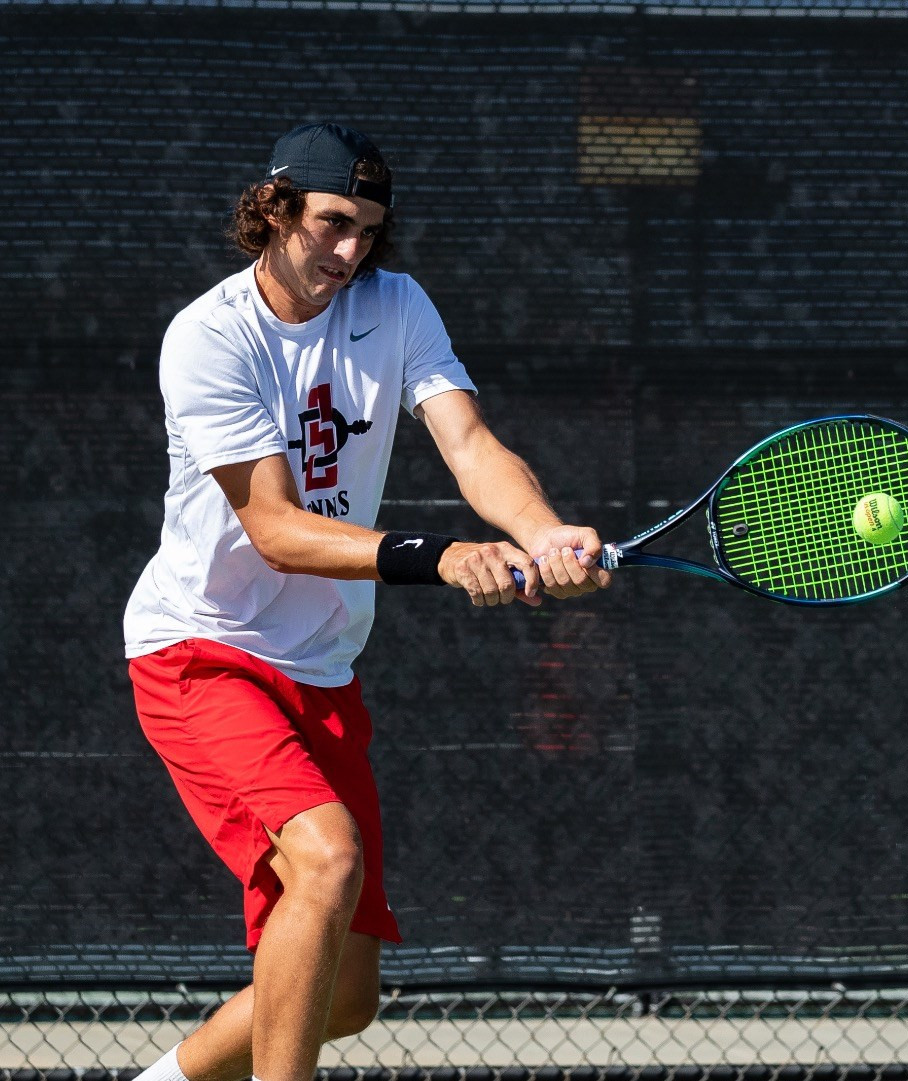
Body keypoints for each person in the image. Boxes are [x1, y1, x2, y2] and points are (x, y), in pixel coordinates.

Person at [122, 122, 611, 1081]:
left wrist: (543, 531)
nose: (350, 252)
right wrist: (441, 557)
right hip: (202, 652)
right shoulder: (209, 336)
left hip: (322, 667)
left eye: (368, 232)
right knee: (328, 857)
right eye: (332, 224)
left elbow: (468, 444)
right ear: (274, 210)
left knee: (340, 999)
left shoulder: (397, 307)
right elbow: (274, 526)